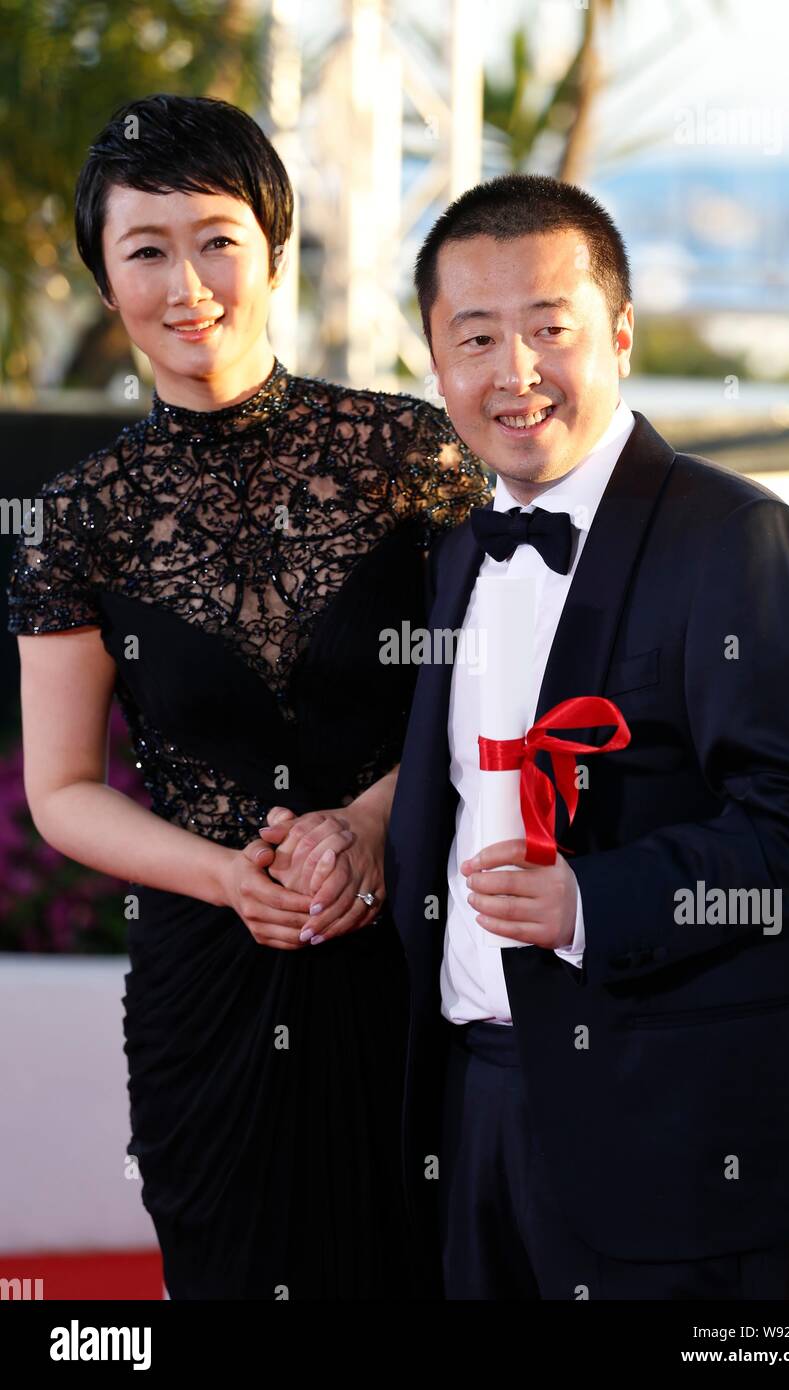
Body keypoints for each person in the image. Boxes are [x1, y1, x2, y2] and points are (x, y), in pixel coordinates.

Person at [6, 93, 489, 1300]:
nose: (190, 284)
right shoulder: (77, 521)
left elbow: (492, 684)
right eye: (146, 250)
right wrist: (227, 876)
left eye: (218, 238)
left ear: (274, 247)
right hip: (206, 981)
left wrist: (373, 821)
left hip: (414, 953)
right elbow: (62, 790)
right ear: (105, 281)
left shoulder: (407, 453)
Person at [372, 173, 789, 1299]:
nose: (514, 372)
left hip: (674, 1123)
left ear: (620, 334)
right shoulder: (458, 548)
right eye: (475, 337)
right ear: (436, 360)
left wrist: (594, 901)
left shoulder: (738, 537)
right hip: (472, 1097)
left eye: (550, 329)